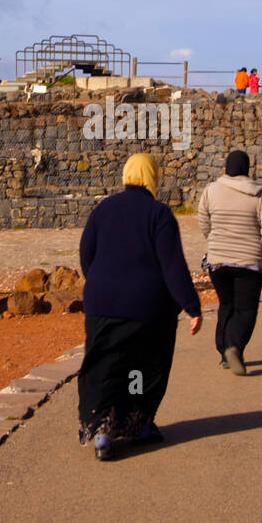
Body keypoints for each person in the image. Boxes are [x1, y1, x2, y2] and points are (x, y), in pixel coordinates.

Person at [77, 153, 202, 461]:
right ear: (152, 176)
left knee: (103, 365)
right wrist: (191, 305)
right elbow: (172, 265)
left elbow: (86, 253)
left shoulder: (103, 210)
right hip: (147, 309)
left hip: (101, 303)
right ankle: (137, 425)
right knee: (142, 368)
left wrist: (100, 283)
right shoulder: (158, 214)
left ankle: (101, 431)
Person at [198, 150, 262, 376]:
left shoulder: (211, 190)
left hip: (218, 261)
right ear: (247, 168)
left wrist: (213, 240)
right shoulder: (260, 193)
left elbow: (203, 219)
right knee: (245, 309)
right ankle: (234, 347)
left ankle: (223, 352)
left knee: (226, 305)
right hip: (249, 261)